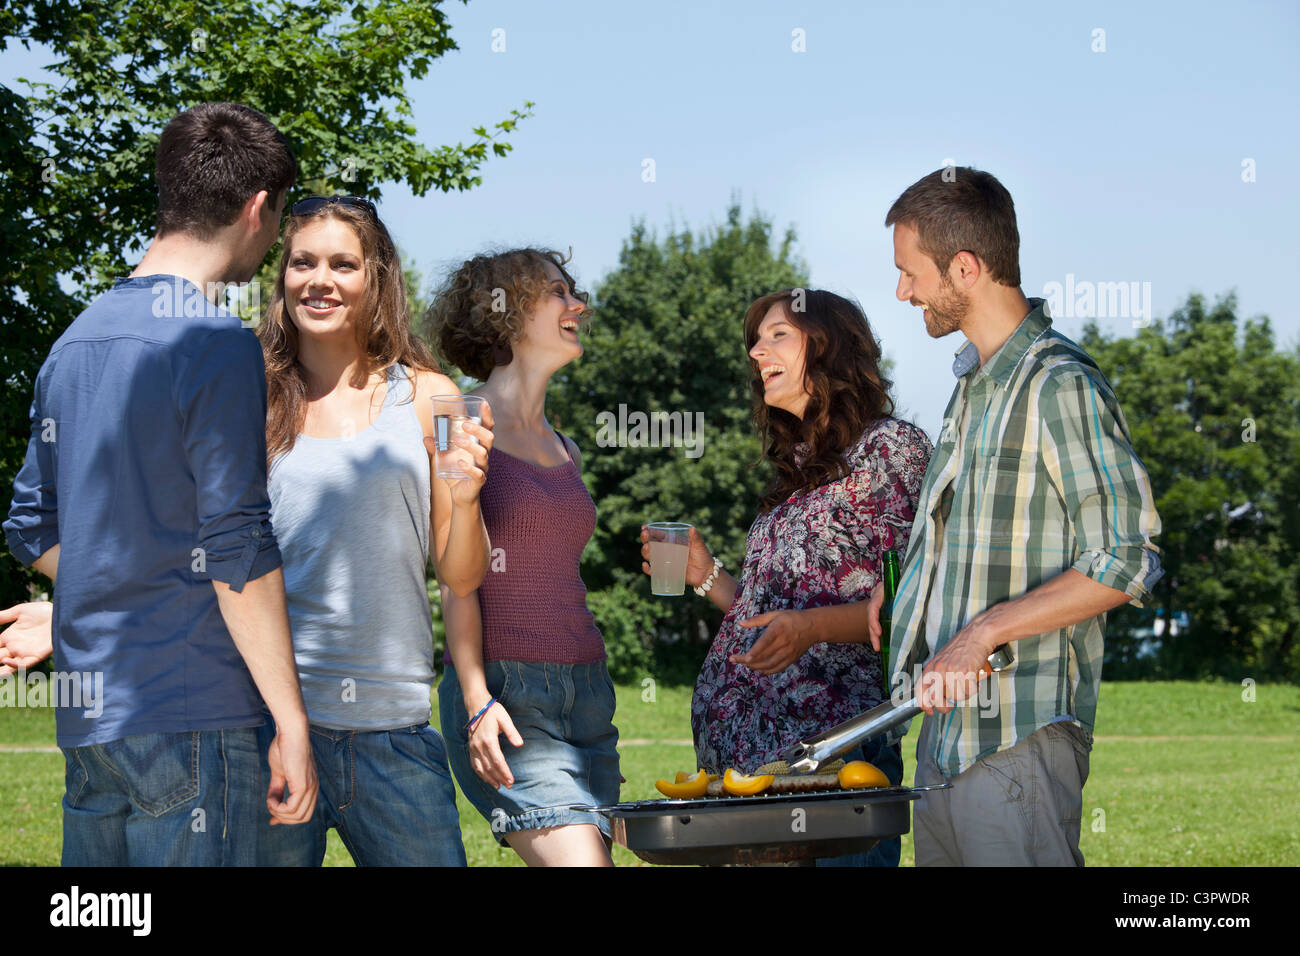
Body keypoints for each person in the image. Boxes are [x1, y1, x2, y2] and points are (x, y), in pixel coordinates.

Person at [1, 102, 318, 866]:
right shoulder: (213, 341)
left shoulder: (73, 343)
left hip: (93, 726)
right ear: (257, 209)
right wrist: (291, 718)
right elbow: (238, 545)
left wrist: (122, 581)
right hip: (195, 713)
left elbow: (29, 524)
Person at [869, 166, 1163, 866]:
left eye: (910, 273)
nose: (902, 291)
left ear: (964, 268)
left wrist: (981, 635)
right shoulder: (973, 388)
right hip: (946, 744)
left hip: (1015, 741)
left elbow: (1124, 562)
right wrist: (906, 589)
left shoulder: (1059, 384)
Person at [644, 288, 933, 867]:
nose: (756, 351)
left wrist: (810, 628)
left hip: (832, 765)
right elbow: (771, 621)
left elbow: (912, 606)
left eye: (777, 335)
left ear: (829, 349)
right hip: (745, 771)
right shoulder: (796, 467)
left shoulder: (889, 450)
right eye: (755, 338)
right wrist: (707, 577)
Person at [251, 195, 495, 866]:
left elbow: (461, 573)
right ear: (284, 276)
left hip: (392, 733)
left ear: (376, 277)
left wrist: (467, 498)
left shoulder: (431, 398)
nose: (318, 280)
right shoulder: (249, 394)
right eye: (303, 262)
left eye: (342, 264)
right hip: (267, 728)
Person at [429, 248, 621, 867]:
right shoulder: (456, 419)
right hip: (508, 697)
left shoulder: (565, 446)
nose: (578, 305)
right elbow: (459, 583)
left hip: (589, 690)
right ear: (506, 312)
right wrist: (476, 697)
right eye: (559, 293)